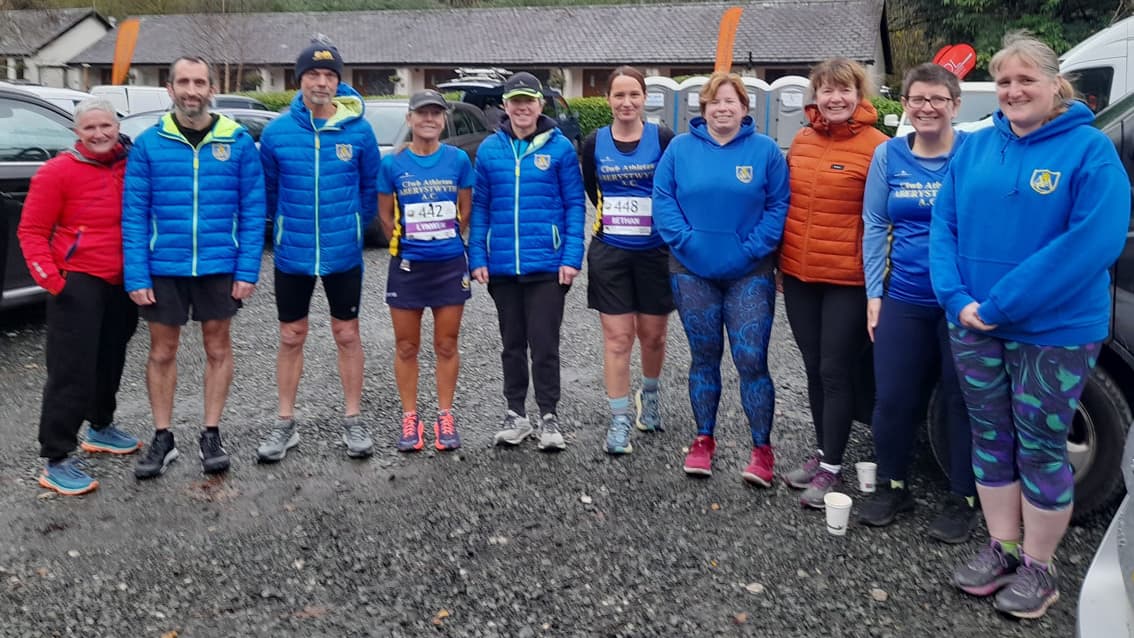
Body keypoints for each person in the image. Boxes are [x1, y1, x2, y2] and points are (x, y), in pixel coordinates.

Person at [931, 32, 1128, 619]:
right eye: (1006, 81)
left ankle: (1040, 570)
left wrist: (1000, 304)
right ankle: (1003, 548)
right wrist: (956, 296)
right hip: (972, 320)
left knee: (1041, 446)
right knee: (990, 437)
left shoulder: (1090, 151)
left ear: (1055, 85)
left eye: (1027, 80)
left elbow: (1092, 242)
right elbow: (944, 225)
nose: (1014, 91)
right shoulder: (973, 148)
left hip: (1055, 328)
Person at [122, 55, 265, 479]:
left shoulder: (237, 141)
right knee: (162, 351)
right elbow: (133, 214)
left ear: (211, 89)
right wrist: (136, 273)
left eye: (199, 82)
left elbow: (254, 209)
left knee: (217, 348)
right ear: (170, 89)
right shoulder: (149, 144)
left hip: (220, 263)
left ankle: (211, 433)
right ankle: (163, 437)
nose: (191, 90)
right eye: (183, 82)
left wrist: (248, 269)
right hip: (163, 265)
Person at [856, 63, 979, 542]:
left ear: (955, 105)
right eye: (917, 99)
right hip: (903, 295)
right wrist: (873, 295)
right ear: (904, 104)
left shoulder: (973, 153)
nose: (926, 107)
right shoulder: (889, 156)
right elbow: (873, 225)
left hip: (962, 302)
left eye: (937, 99)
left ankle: (963, 498)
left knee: (960, 398)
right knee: (893, 398)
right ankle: (893, 486)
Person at [652, 72, 790, 481]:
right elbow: (664, 200)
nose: (722, 108)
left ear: (745, 108)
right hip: (692, 270)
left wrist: (750, 250)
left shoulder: (765, 151)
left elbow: (779, 204)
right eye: (714, 102)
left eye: (731, 102)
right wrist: (687, 243)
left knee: (751, 359)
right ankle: (703, 440)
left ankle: (762, 450)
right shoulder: (679, 149)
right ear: (704, 109)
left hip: (750, 272)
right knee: (704, 357)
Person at [255, 40, 381, 462]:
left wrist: (353, 227)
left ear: (339, 82)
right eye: (314, 75)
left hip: (343, 252)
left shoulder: (359, 131)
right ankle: (285, 422)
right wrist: (284, 230)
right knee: (292, 335)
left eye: (330, 76)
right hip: (293, 253)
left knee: (347, 333)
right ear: (300, 80)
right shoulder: (276, 134)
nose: (322, 82)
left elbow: (368, 190)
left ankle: (353, 419)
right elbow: (269, 194)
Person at [780, 58, 889, 507]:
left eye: (844, 90)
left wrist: (878, 284)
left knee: (834, 369)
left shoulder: (879, 147)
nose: (835, 98)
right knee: (811, 368)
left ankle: (832, 468)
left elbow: (883, 220)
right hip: (800, 275)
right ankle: (824, 450)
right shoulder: (802, 140)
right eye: (826, 90)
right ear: (816, 96)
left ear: (859, 95)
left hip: (848, 278)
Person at [17, 98, 140, 495]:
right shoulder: (57, 172)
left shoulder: (131, 164)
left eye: (105, 125)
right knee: (71, 370)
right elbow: (31, 232)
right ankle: (56, 456)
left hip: (121, 280)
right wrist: (53, 281)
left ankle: (101, 426)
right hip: (77, 281)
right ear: (76, 132)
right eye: (90, 128)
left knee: (110, 358)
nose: (99, 134)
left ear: (117, 126)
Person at [468, 72, 585, 451]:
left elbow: (574, 206)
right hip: (502, 266)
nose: (521, 107)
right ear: (505, 106)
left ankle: (549, 416)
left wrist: (570, 256)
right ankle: (515, 414)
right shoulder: (489, 150)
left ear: (539, 105)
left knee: (545, 344)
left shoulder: (562, 148)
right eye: (514, 101)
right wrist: (478, 256)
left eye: (528, 101)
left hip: (548, 266)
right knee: (512, 344)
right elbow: (481, 208)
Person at [580, 66, 675, 455]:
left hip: (655, 252)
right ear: (608, 101)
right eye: (618, 95)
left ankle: (648, 397)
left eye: (633, 95)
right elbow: (592, 190)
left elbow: (673, 188)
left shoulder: (664, 138)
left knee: (654, 336)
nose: (626, 103)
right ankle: (619, 419)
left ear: (644, 98)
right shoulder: (593, 143)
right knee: (618, 338)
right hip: (611, 252)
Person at [378, 90, 474, 452]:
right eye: (422, 114)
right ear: (410, 120)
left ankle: (445, 416)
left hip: (449, 264)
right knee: (406, 346)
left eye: (436, 113)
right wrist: (407, 244)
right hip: (407, 267)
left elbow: (465, 212)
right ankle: (410, 416)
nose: (429, 119)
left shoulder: (459, 160)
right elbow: (385, 217)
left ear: (444, 120)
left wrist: (443, 241)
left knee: (446, 344)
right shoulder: (392, 164)